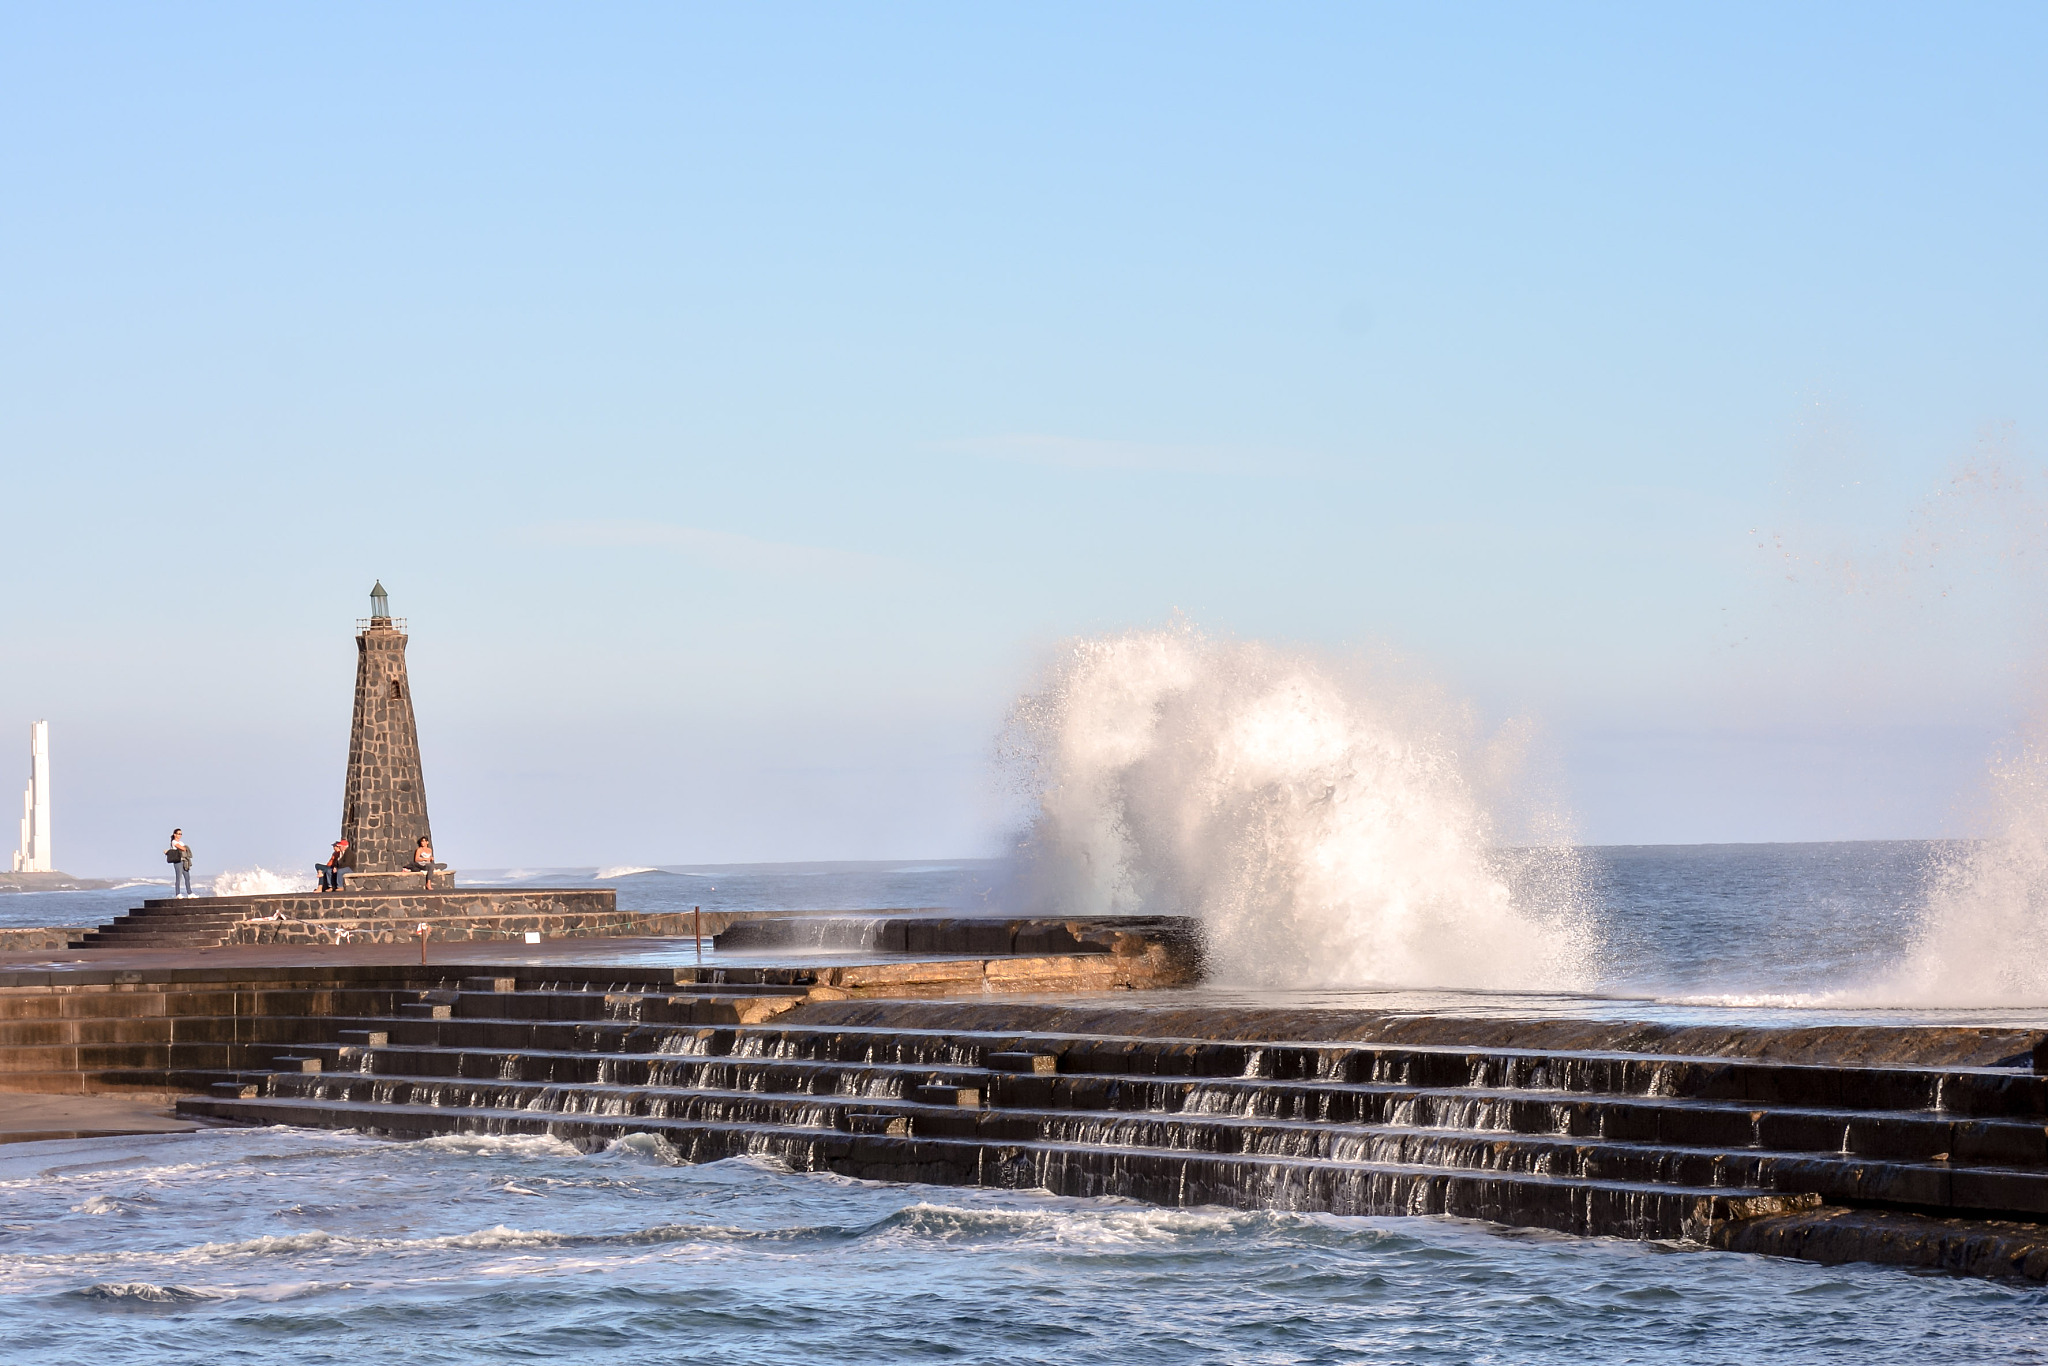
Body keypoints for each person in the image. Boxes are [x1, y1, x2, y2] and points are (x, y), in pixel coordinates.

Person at [165, 829, 193, 897]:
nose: (179, 835)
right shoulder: (174, 842)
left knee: (187, 878)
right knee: (178, 878)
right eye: (178, 833)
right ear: (175, 834)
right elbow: (183, 849)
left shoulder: (181, 842)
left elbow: (184, 849)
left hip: (184, 861)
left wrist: (184, 848)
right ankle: (178, 893)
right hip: (178, 862)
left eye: (181, 834)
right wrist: (184, 848)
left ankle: (190, 893)